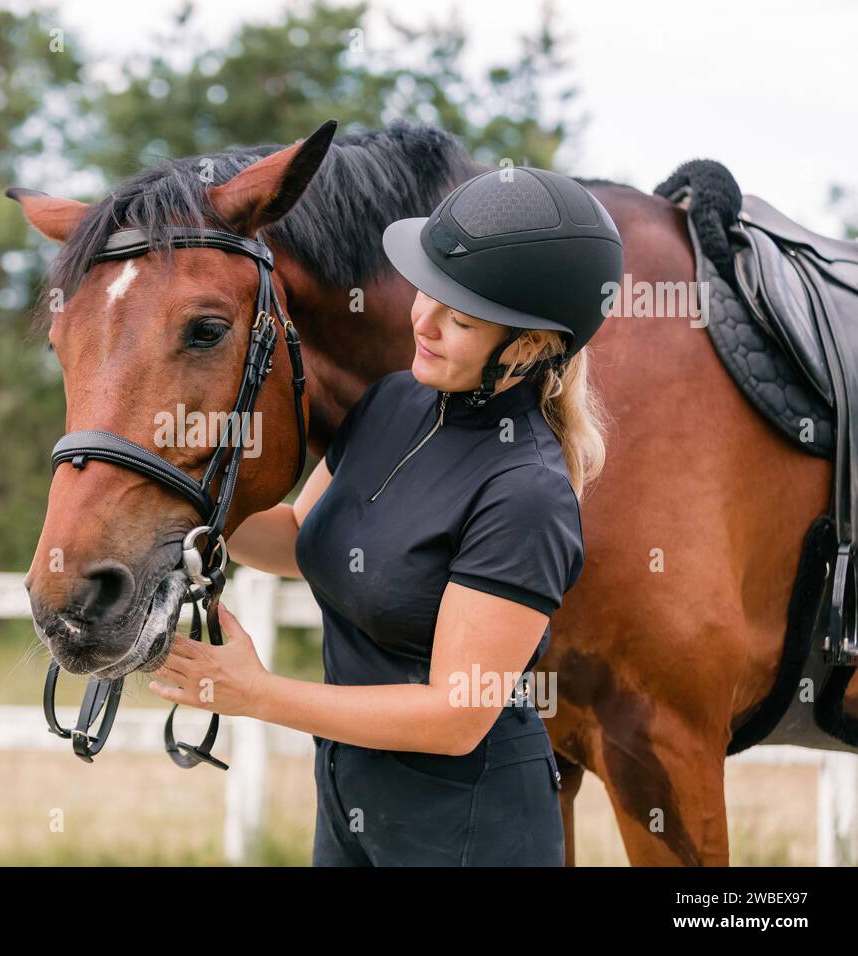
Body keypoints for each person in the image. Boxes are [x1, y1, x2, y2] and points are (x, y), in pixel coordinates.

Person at [148, 167, 624, 865]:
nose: (423, 321)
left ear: (527, 348)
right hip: (350, 799)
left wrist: (256, 694)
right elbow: (296, 541)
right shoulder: (394, 401)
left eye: (459, 319)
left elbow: (457, 717)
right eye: (427, 291)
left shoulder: (526, 491)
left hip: (466, 830)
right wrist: (178, 477)